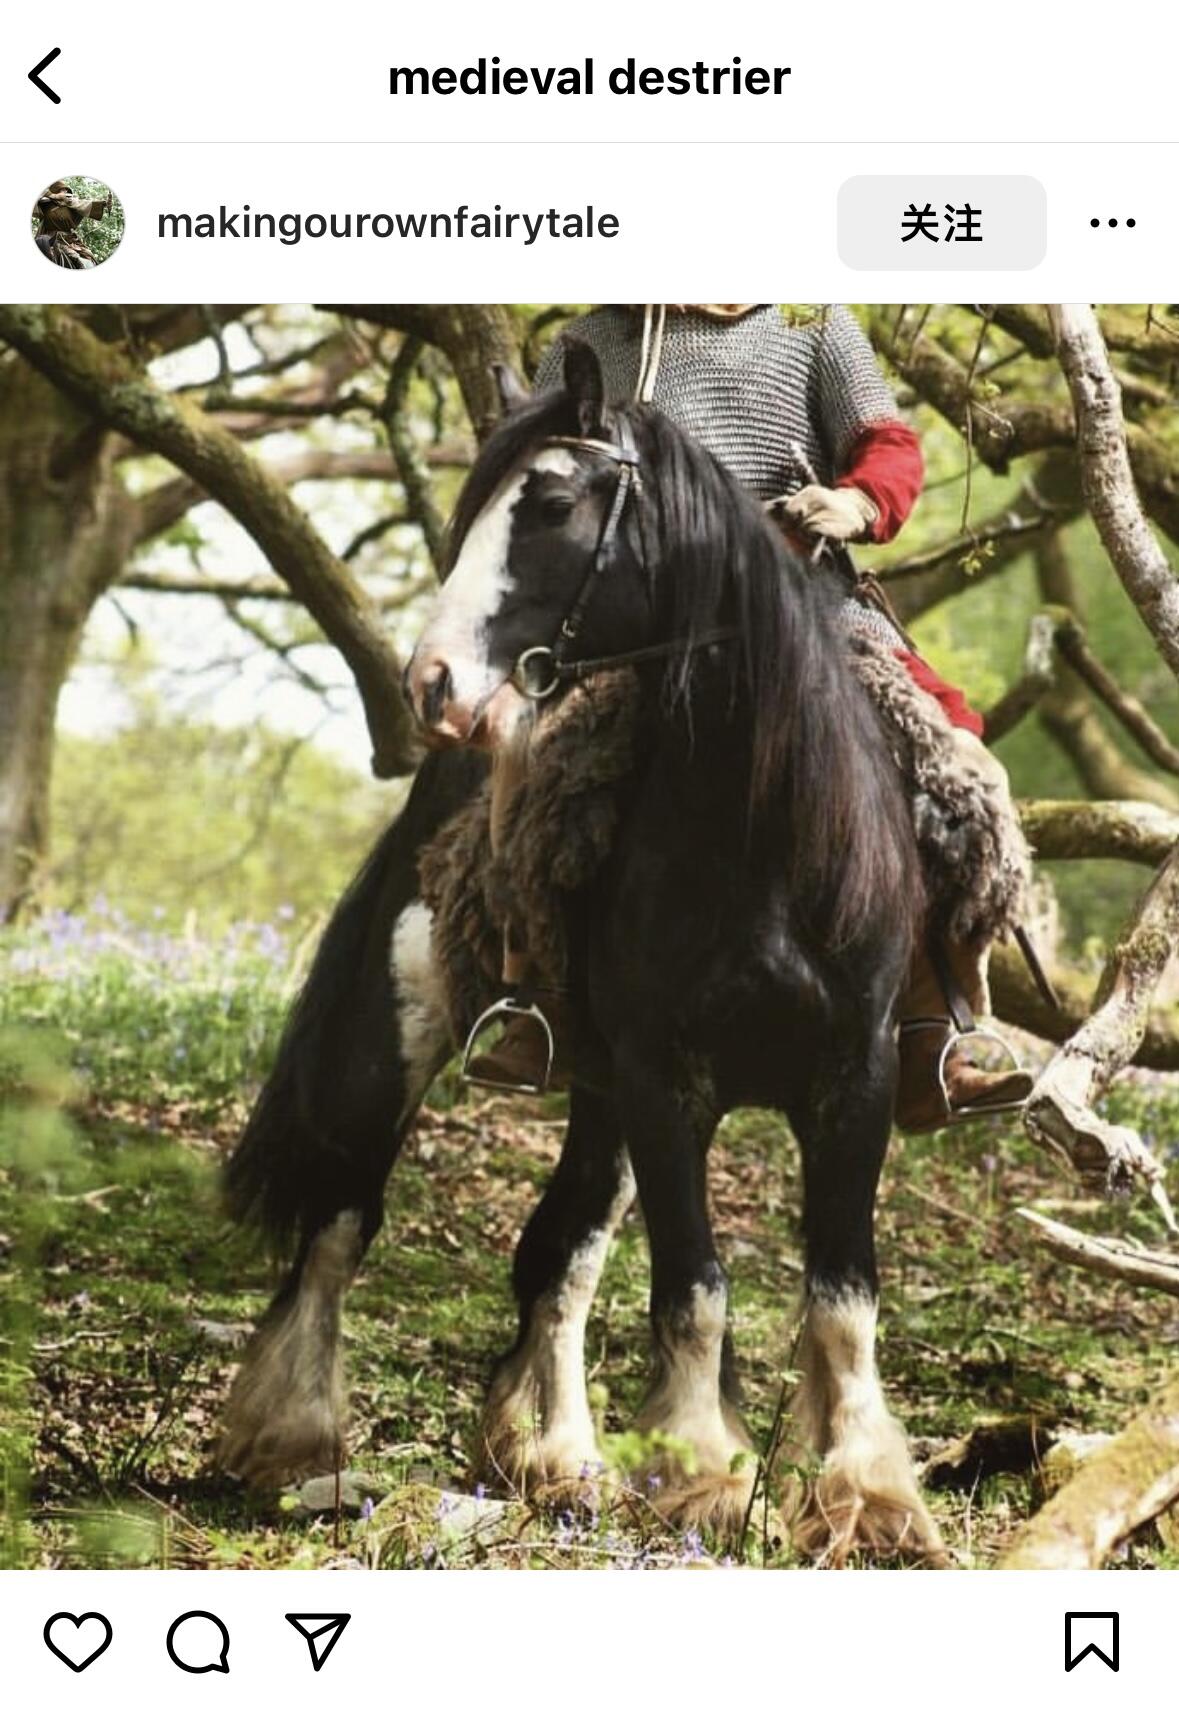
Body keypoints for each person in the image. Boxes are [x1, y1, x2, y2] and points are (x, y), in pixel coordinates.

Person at [465, 304, 1032, 1132]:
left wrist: (856, 502)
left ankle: (930, 1033)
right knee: (523, 753)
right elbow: (526, 473)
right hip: (634, 630)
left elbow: (888, 443)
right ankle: (538, 999)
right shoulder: (592, 342)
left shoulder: (807, 321)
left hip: (804, 613)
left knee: (963, 772)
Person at [32, 181, 110, 269]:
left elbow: (85, 204)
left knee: (87, 257)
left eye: (66, 190)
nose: (65, 192)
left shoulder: (72, 204)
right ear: (55, 190)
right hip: (48, 239)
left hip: (68, 240)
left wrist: (104, 204)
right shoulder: (44, 204)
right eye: (62, 190)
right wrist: (53, 196)